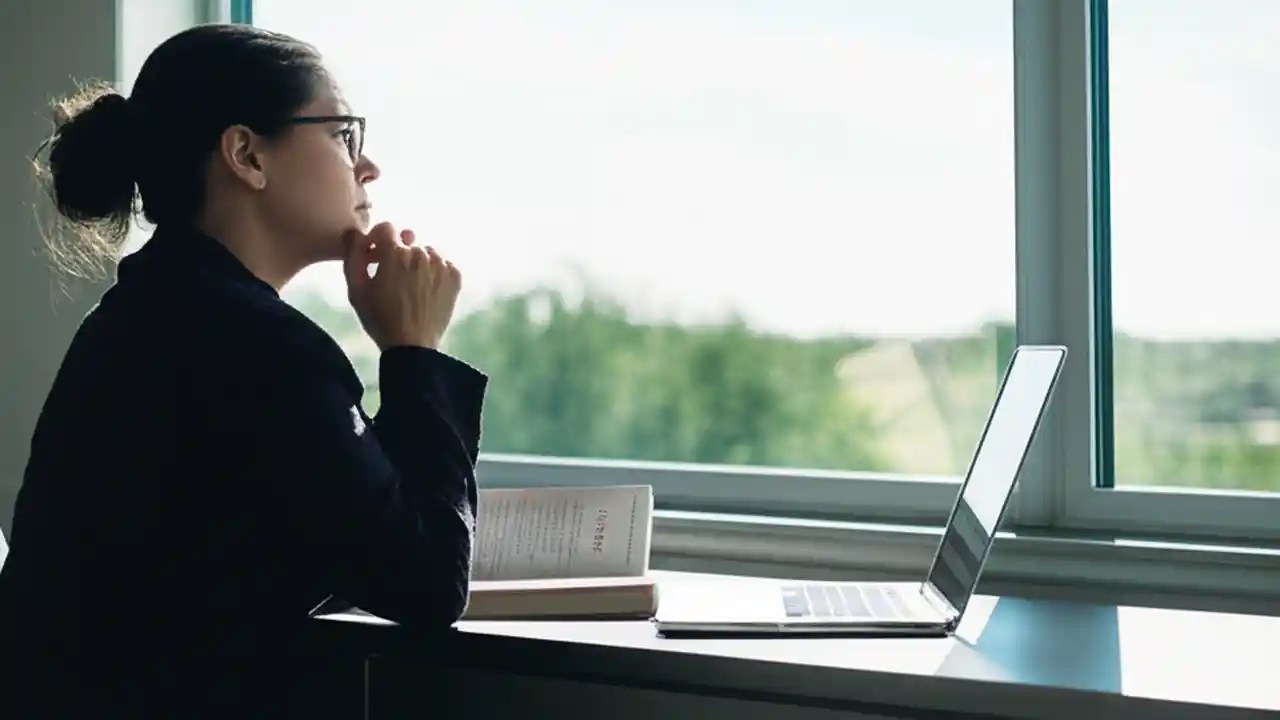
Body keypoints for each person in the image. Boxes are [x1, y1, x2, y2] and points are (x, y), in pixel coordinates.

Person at [0, 23, 487, 717]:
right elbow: (428, 583)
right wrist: (414, 351)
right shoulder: (258, 348)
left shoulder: (141, 316)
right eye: (342, 134)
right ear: (246, 155)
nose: (368, 166)